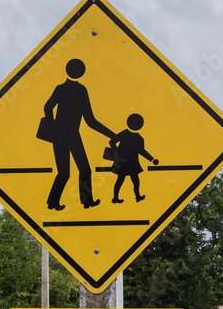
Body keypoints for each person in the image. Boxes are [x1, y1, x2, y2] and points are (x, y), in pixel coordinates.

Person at [43, 58, 114, 210]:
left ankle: (84, 202)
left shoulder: (71, 89)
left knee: (78, 171)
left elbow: (89, 120)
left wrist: (112, 135)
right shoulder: (77, 90)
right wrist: (113, 135)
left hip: (69, 136)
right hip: (65, 136)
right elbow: (90, 121)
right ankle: (55, 203)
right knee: (69, 172)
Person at [109, 113, 158, 203]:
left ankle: (137, 197)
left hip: (132, 164)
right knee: (121, 180)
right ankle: (115, 198)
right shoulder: (127, 134)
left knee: (135, 181)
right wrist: (116, 152)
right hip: (123, 163)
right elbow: (112, 142)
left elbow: (142, 151)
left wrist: (152, 159)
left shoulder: (138, 138)